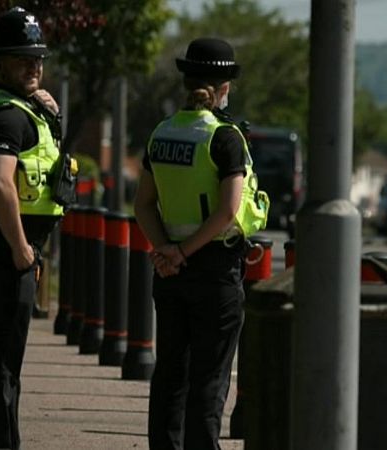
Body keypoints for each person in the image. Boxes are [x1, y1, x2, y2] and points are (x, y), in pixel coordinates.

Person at [133, 37, 257, 450]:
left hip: (171, 271)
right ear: (224, 87)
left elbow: (144, 205)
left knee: (169, 373)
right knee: (209, 379)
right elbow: (227, 212)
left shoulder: (162, 133)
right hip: (214, 269)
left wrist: (167, 251)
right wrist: (184, 253)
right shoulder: (225, 139)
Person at [0, 7, 64, 449]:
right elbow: (1, 184)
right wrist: (22, 248)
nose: (34, 66)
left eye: (38, 58)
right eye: (22, 58)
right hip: (3, 244)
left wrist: (48, 112)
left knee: (4, 359)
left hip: (1, 240)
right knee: (1, 359)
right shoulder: (6, 116)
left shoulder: (18, 108)